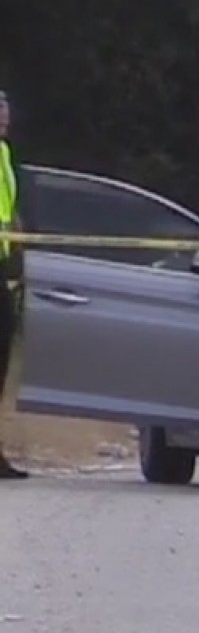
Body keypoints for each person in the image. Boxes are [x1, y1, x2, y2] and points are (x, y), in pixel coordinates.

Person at [0, 90, 26, 479]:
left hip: (1, 265)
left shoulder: (3, 153)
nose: (5, 121)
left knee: (3, 355)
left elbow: (8, 206)